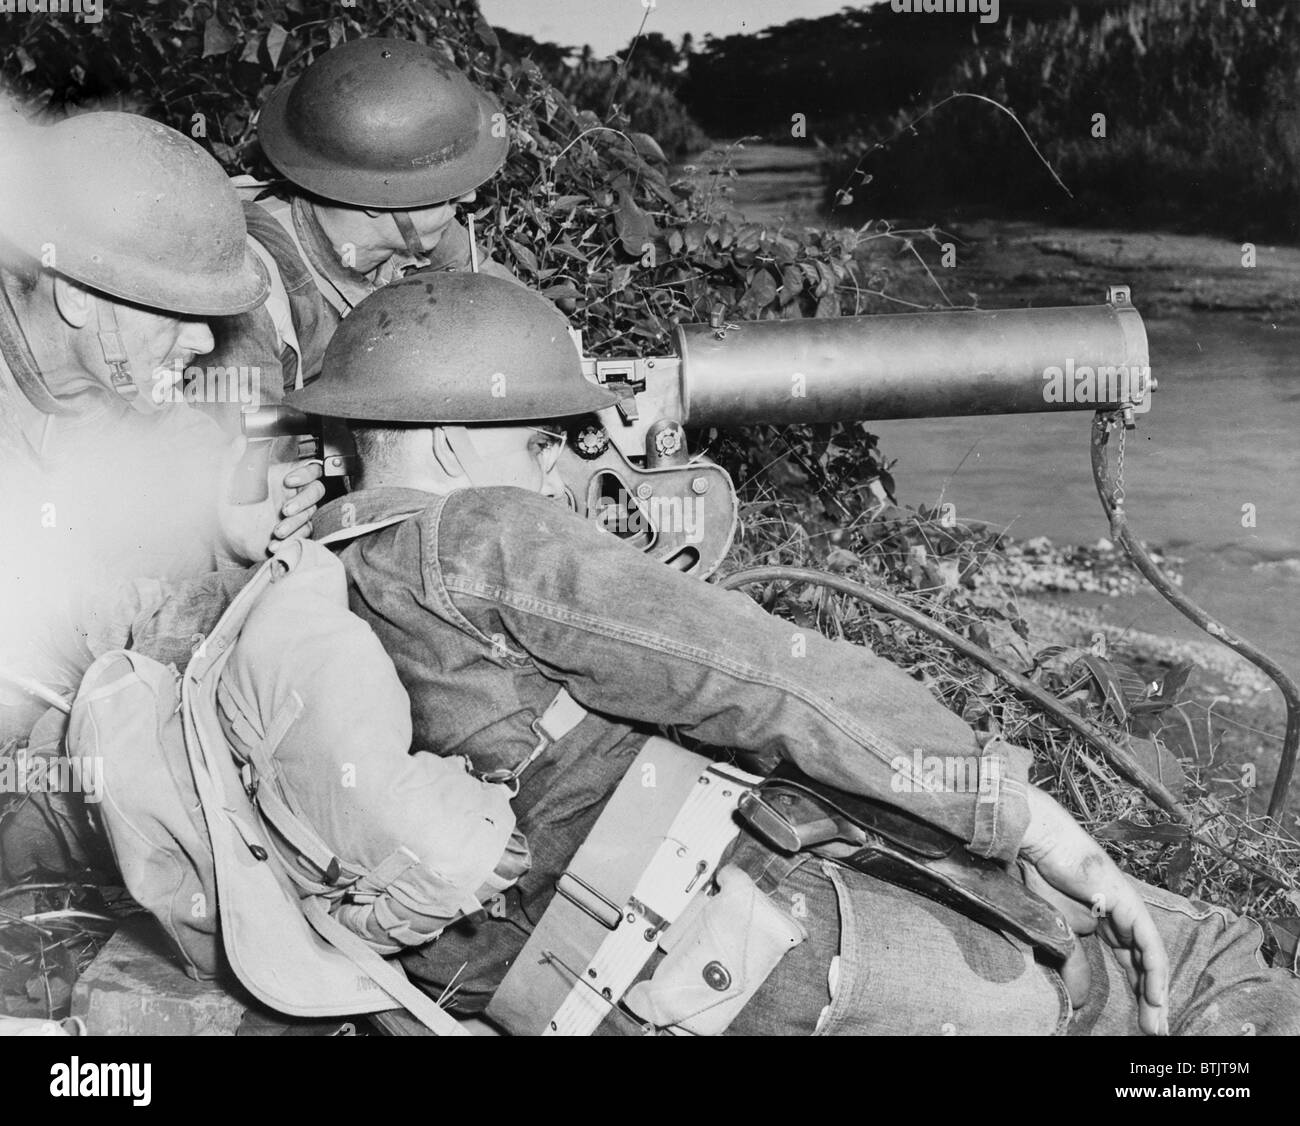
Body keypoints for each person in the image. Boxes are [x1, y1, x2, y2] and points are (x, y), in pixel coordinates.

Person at [285, 272, 1300, 1036]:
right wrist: (1021, 815)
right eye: (539, 442)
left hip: (599, 979)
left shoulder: (320, 572)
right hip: (763, 938)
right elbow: (770, 678)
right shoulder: (473, 533)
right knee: (1178, 964)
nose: (555, 469)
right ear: (458, 446)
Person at [0, 110, 323, 873]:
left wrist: (226, 540)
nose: (206, 340)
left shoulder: (144, 405)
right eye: (176, 311)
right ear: (77, 298)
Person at [204, 37, 517, 425]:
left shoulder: (424, 230)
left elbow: (531, 321)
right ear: (376, 197)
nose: (468, 197)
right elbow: (239, 461)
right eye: (445, 192)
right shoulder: (250, 291)